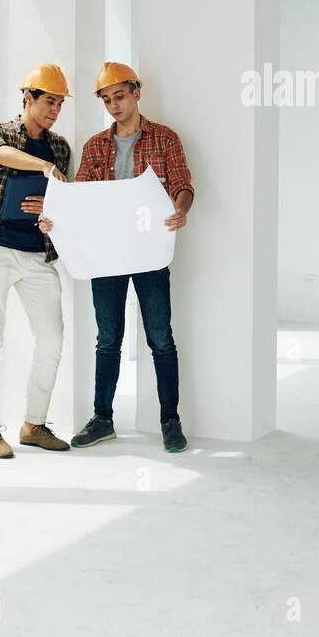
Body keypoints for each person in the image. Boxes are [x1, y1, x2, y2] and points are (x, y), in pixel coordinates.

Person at [43, 62, 193, 453]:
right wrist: (54, 221)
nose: (114, 105)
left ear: (137, 92)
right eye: (107, 99)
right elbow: (82, 201)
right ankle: (102, 419)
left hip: (149, 253)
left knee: (161, 339)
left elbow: (182, 183)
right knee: (107, 339)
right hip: (105, 255)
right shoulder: (95, 146)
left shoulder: (164, 139)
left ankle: (170, 422)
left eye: (120, 96)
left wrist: (181, 208)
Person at [0, 64, 73, 459]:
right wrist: (44, 166)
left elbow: (67, 201)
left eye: (60, 104)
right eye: (50, 101)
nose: (55, 110)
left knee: (51, 339)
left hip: (37, 253)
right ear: (28, 97)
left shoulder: (61, 146)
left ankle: (33, 424)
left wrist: (51, 209)